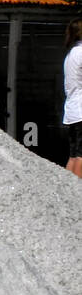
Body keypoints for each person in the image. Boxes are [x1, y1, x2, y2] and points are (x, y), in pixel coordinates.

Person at [64, 19, 82, 178]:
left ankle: (68, 188)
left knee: (73, 154)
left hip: (72, 112)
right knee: (81, 155)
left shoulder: (71, 53)